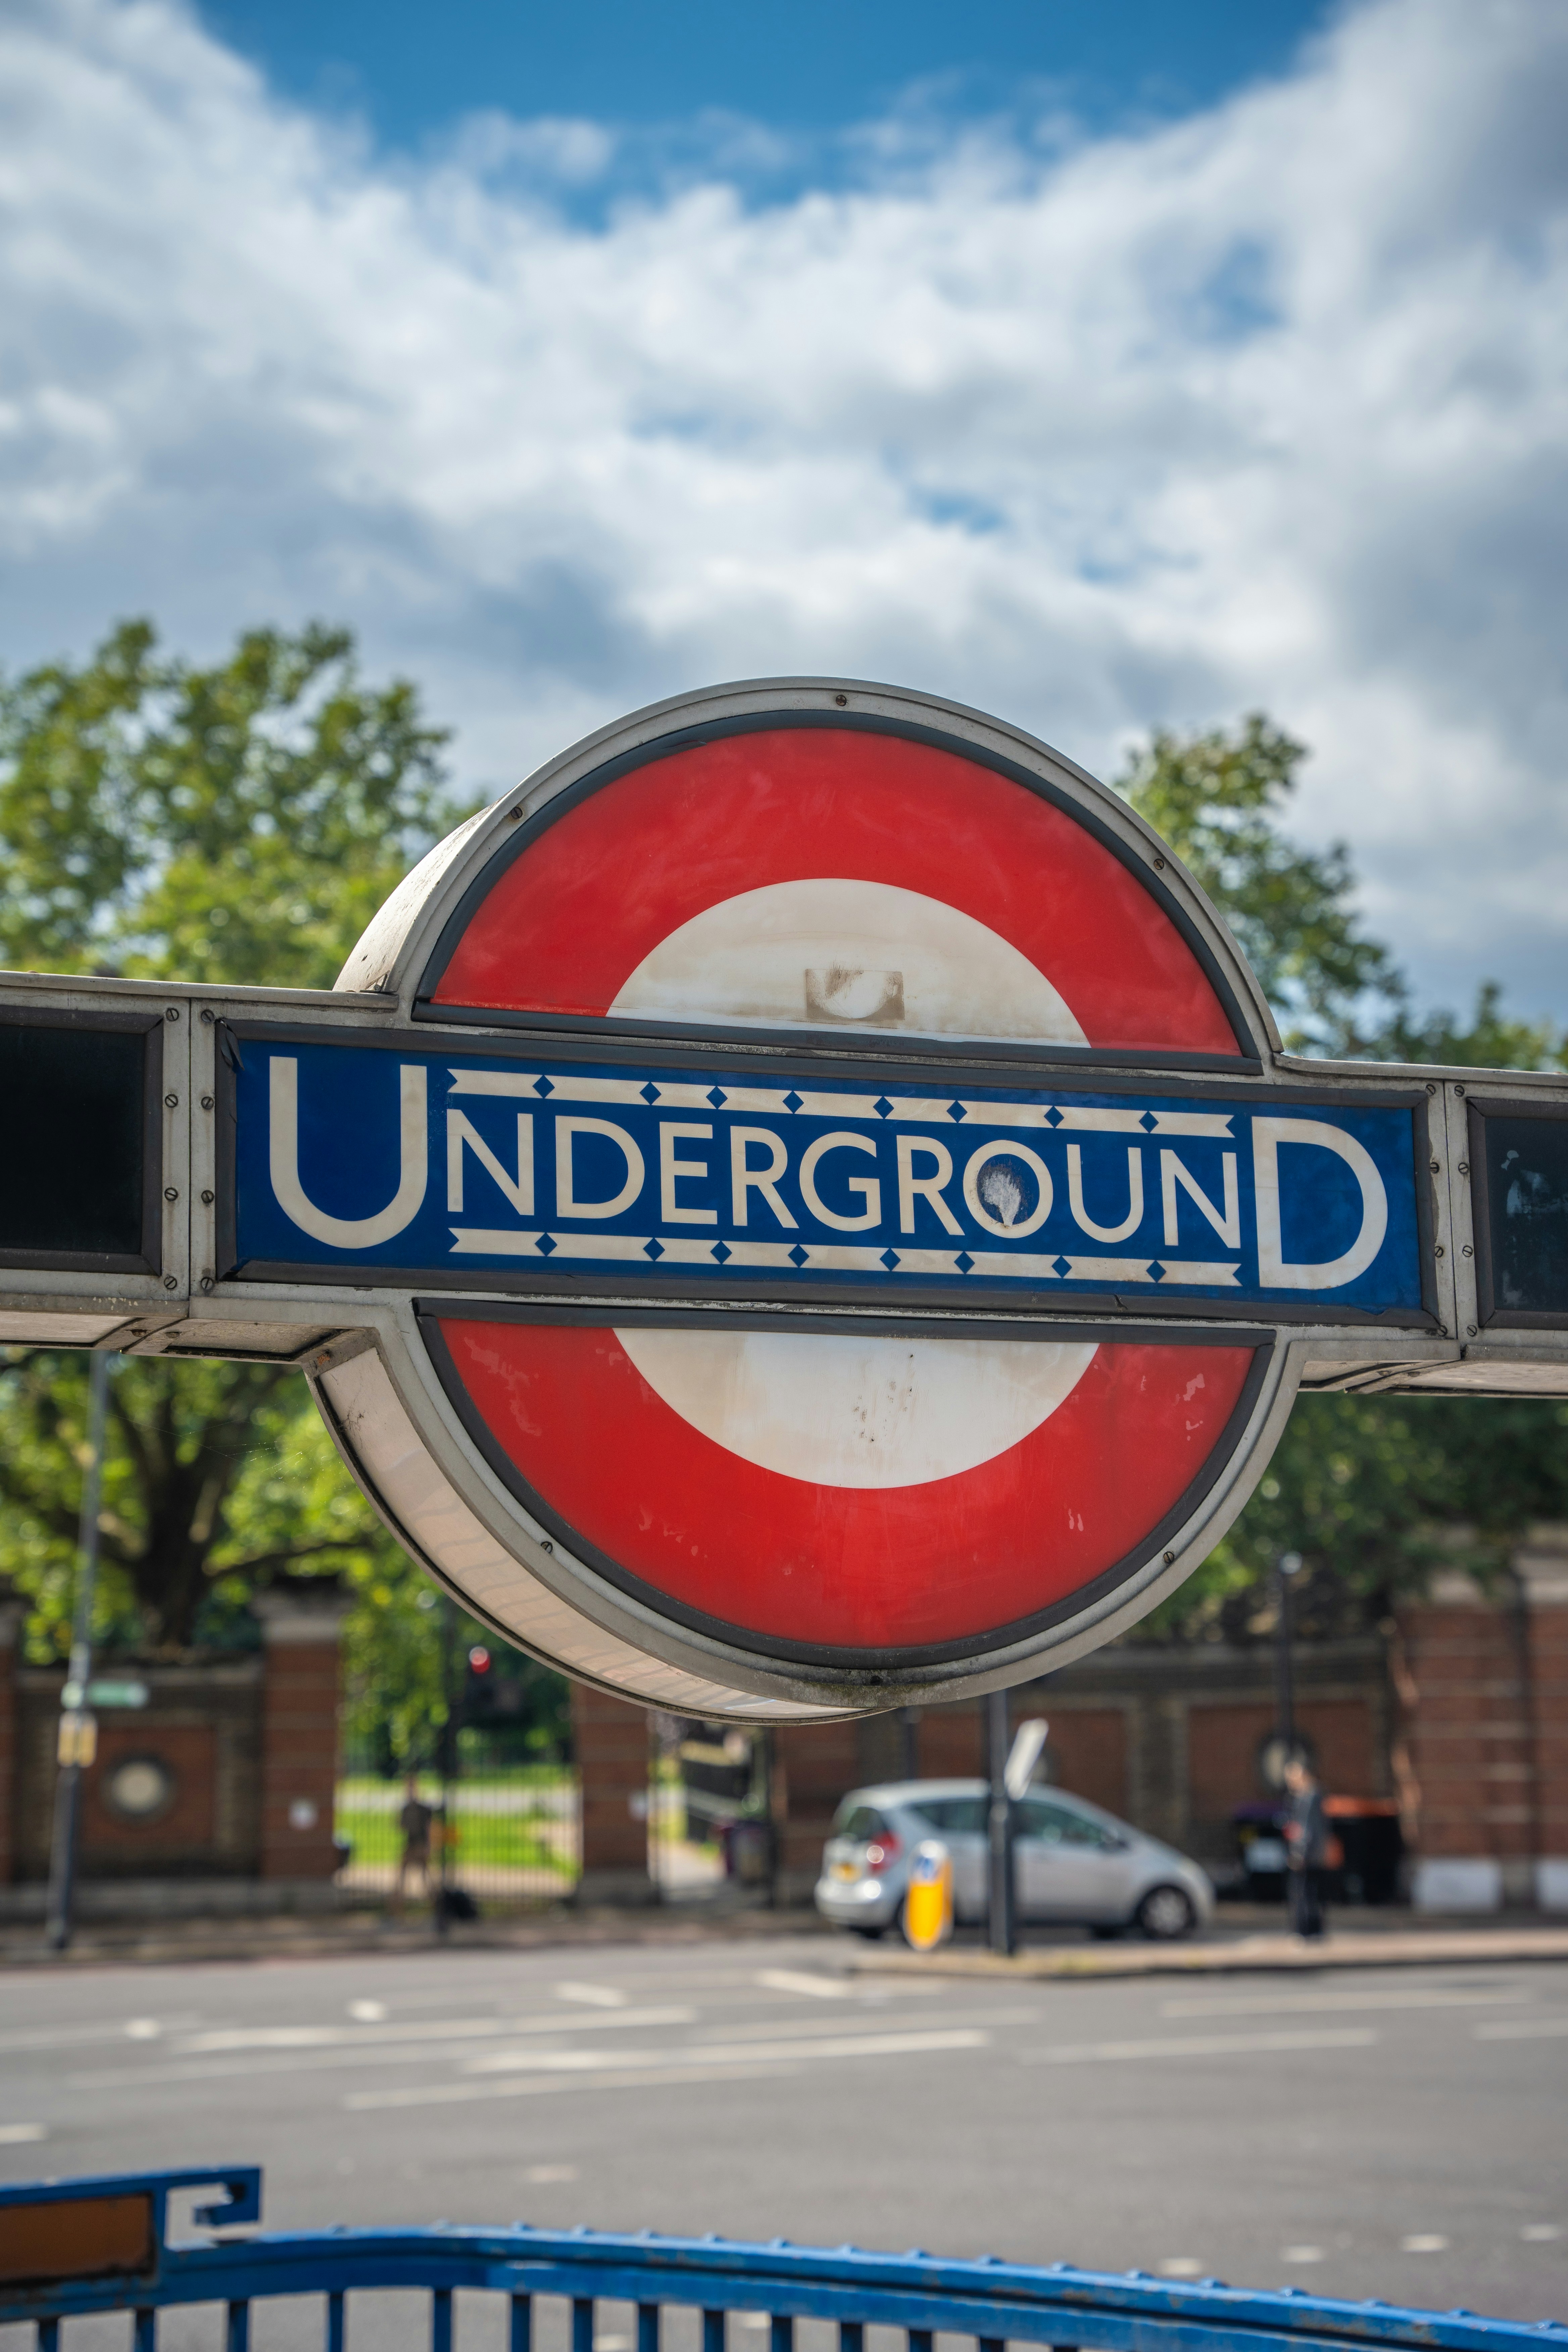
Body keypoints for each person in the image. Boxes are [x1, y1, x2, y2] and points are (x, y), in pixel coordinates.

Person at [1282, 1754, 1329, 1940]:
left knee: (1304, 1892)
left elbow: (1307, 1829)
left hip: (1307, 1854)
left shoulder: (1308, 1798)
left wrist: (1299, 1853)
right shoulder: (1314, 1796)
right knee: (1314, 1892)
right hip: (1315, 1853)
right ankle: (1315, 1930)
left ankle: (1306, 1930)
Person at [393, 1773, 434, 1915]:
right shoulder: (407, 1809)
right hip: (410, 1846)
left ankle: (434, 1908)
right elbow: (401, 1827)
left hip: (420, 1846)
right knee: (402, 1878)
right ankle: (397, 1910)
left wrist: (428, 1847)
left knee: (426, 1878)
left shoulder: (423, 1809)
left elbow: (429, 1828)